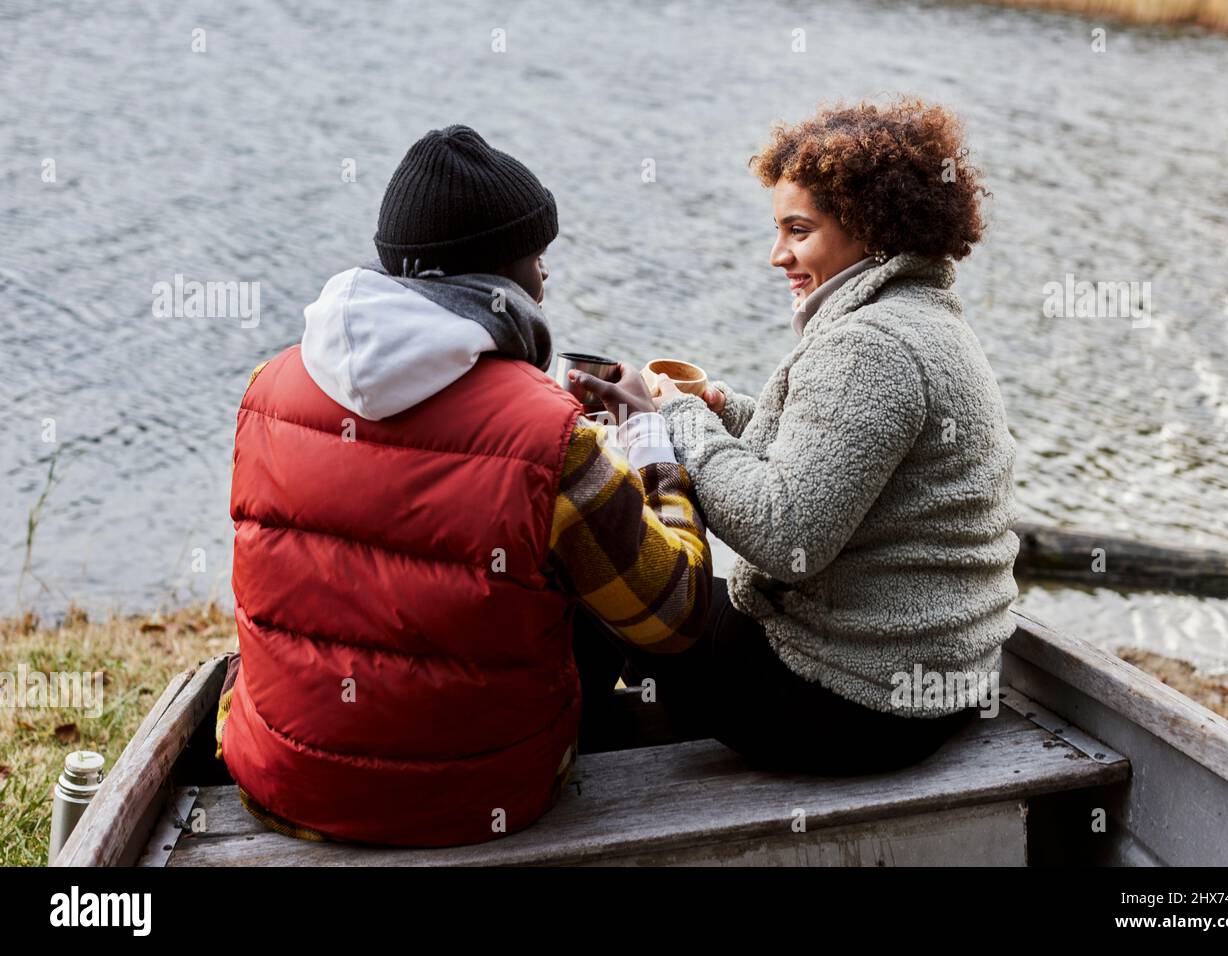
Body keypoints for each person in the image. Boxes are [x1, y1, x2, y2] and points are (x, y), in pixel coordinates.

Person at [214, 125, 711, 847]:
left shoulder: (268, 389)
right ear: (506, 283)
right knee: (595, 582)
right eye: (539, 263)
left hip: (281, 780)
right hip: (478, 803)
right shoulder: (554, 436)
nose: (546, 281)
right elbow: (675, 617)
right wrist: (646, 444)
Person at [570, 97, 1019, 775]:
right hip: (935, 684)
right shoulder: (923, 317)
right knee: (647, 587)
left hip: (849, 704)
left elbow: (789, 538)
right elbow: (828, 457)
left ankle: (575, 772)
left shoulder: (872, 346)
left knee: (597, 568)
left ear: (869, 228)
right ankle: (611, 735)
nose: (777, 254)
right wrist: (722, 409)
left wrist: (671, 420)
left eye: (798, 231)